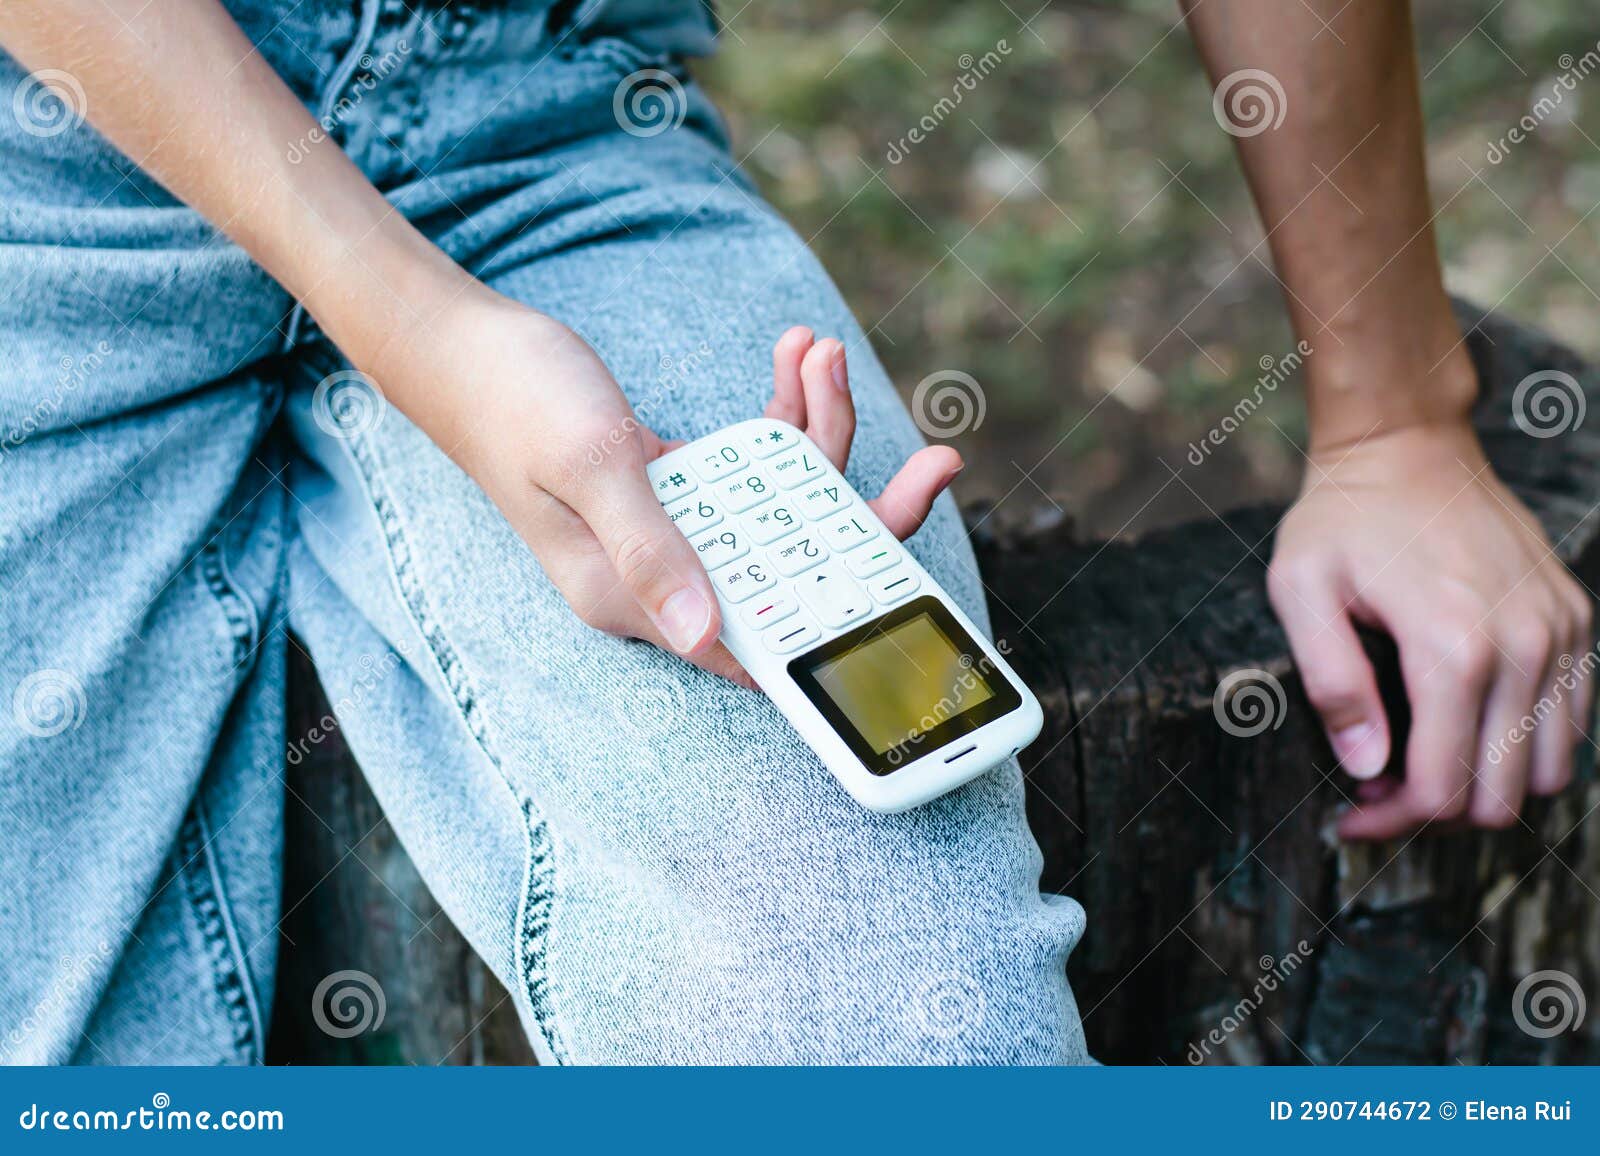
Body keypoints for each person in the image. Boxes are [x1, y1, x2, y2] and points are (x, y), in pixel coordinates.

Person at [0, 0, 1584, 1065]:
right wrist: (424, 338)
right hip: (48, 163)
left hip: (549, 135)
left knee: (910, 1020)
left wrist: (1392, 412)